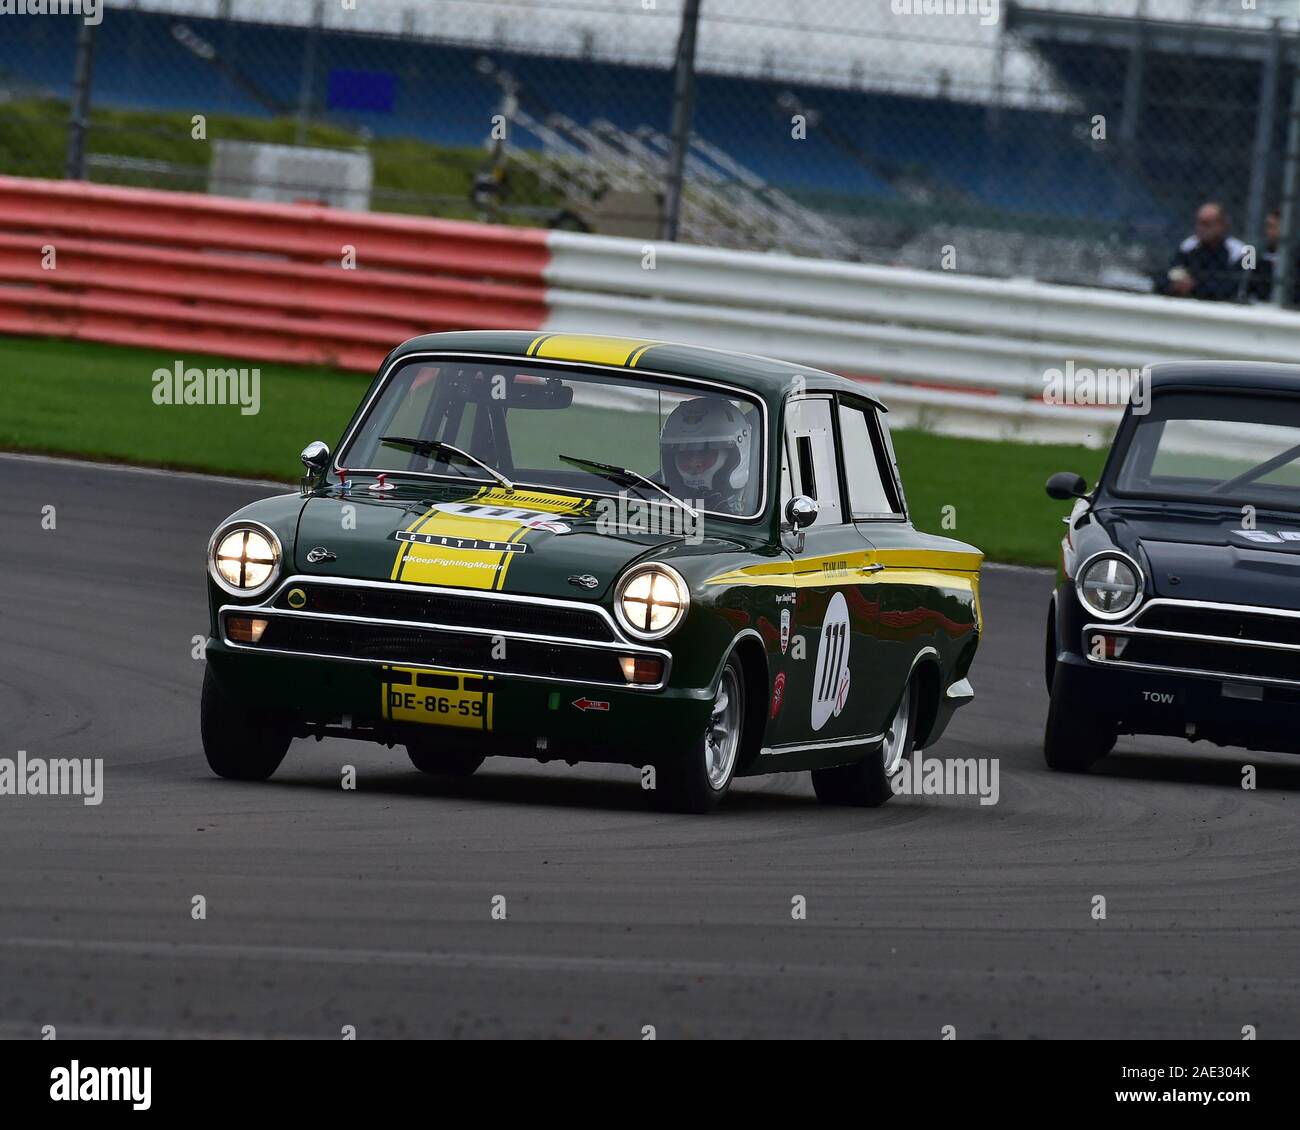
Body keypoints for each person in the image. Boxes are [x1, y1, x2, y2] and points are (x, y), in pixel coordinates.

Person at [660, 398, 753, 515]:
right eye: (684, 453)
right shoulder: (650, 507)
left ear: (734, 455)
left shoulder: (763, 506)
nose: (694, 463)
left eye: (705, 452)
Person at [1155, 202, 1246, 301]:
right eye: (1199, 223)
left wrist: (1194, 286)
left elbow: (1231, 288)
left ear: (1222, 225)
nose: (1200, 228)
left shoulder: (1239, 251)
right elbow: (1166, 276)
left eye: (1207, 224)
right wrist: (1175, 284)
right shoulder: (1188, 246)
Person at [1245, 209, 1300, 305]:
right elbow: (1248, 290)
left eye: (1272, 227)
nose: (1267, 232)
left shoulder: (1296, 259)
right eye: (1267, 226)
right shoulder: (1259, 257)